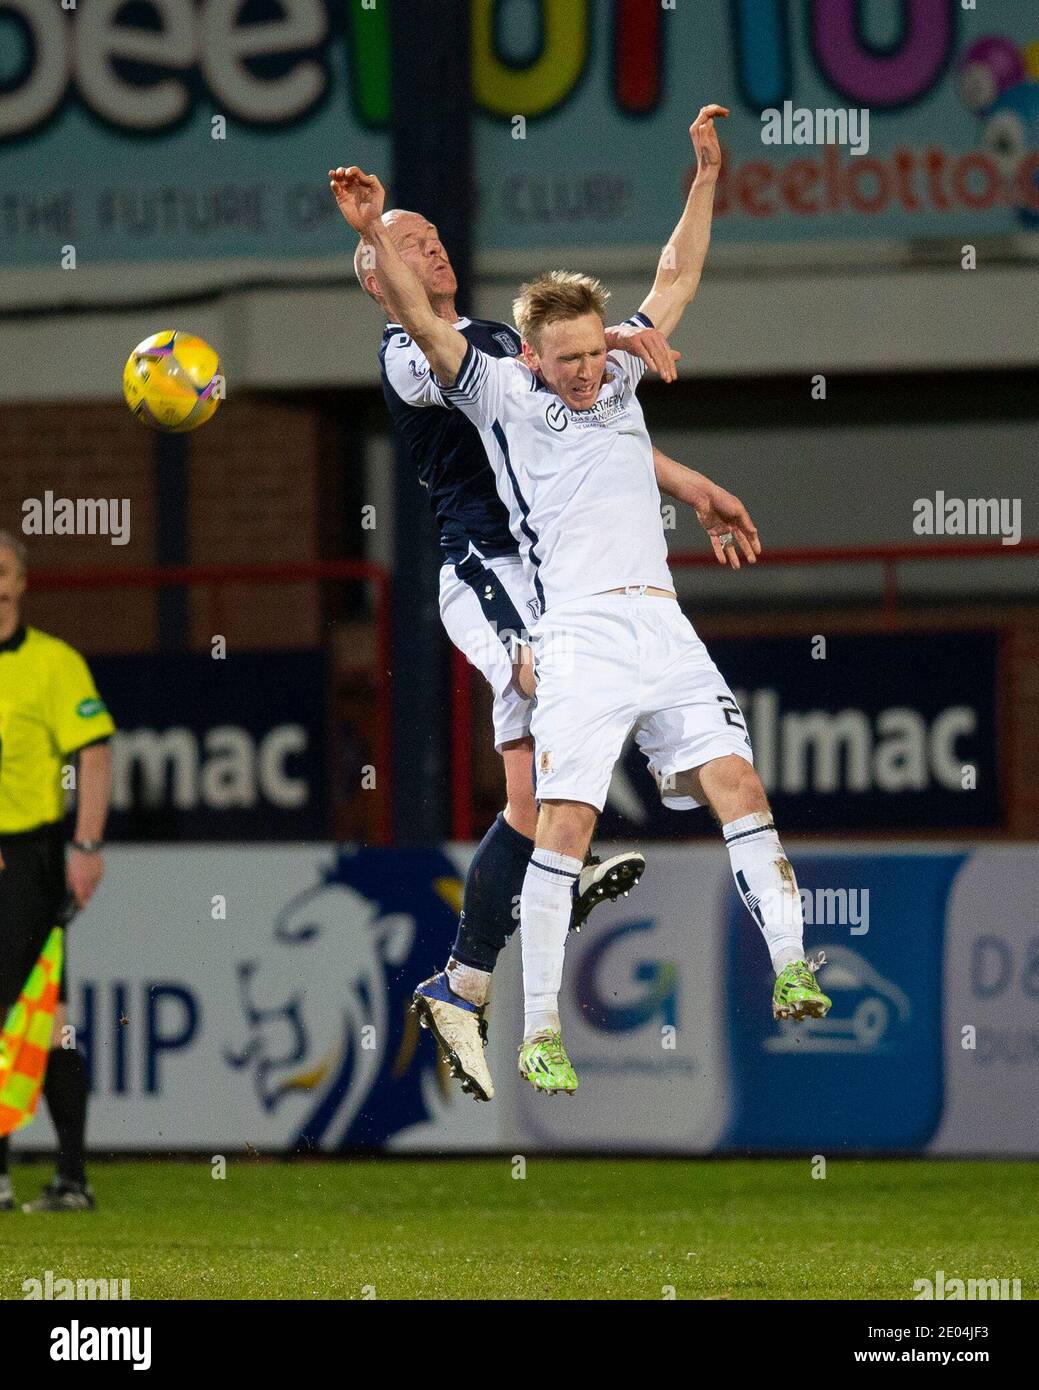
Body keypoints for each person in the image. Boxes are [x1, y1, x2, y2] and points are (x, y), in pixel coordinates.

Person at [332, 103, 830, 1098]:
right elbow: (441, 338)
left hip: (643, 611)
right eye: (408, 243)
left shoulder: (583, 370)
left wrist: (702, 180)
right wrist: (367, 234)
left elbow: (666, 293)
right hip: (501, 576)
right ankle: (547, 940)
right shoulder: (452, 362)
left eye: (430, 236)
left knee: (576, 801)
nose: (429, 247)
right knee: (550, 796)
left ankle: (470, 976)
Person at [0, 531, 114, 1208]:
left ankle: (67, 1174)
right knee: (44, 1018)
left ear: (20, 584)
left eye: (3, 571)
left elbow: (93, 754)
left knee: (37, 1016)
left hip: (28, 855)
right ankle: (63, 1178)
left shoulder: (54, 664)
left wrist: (87, 844)